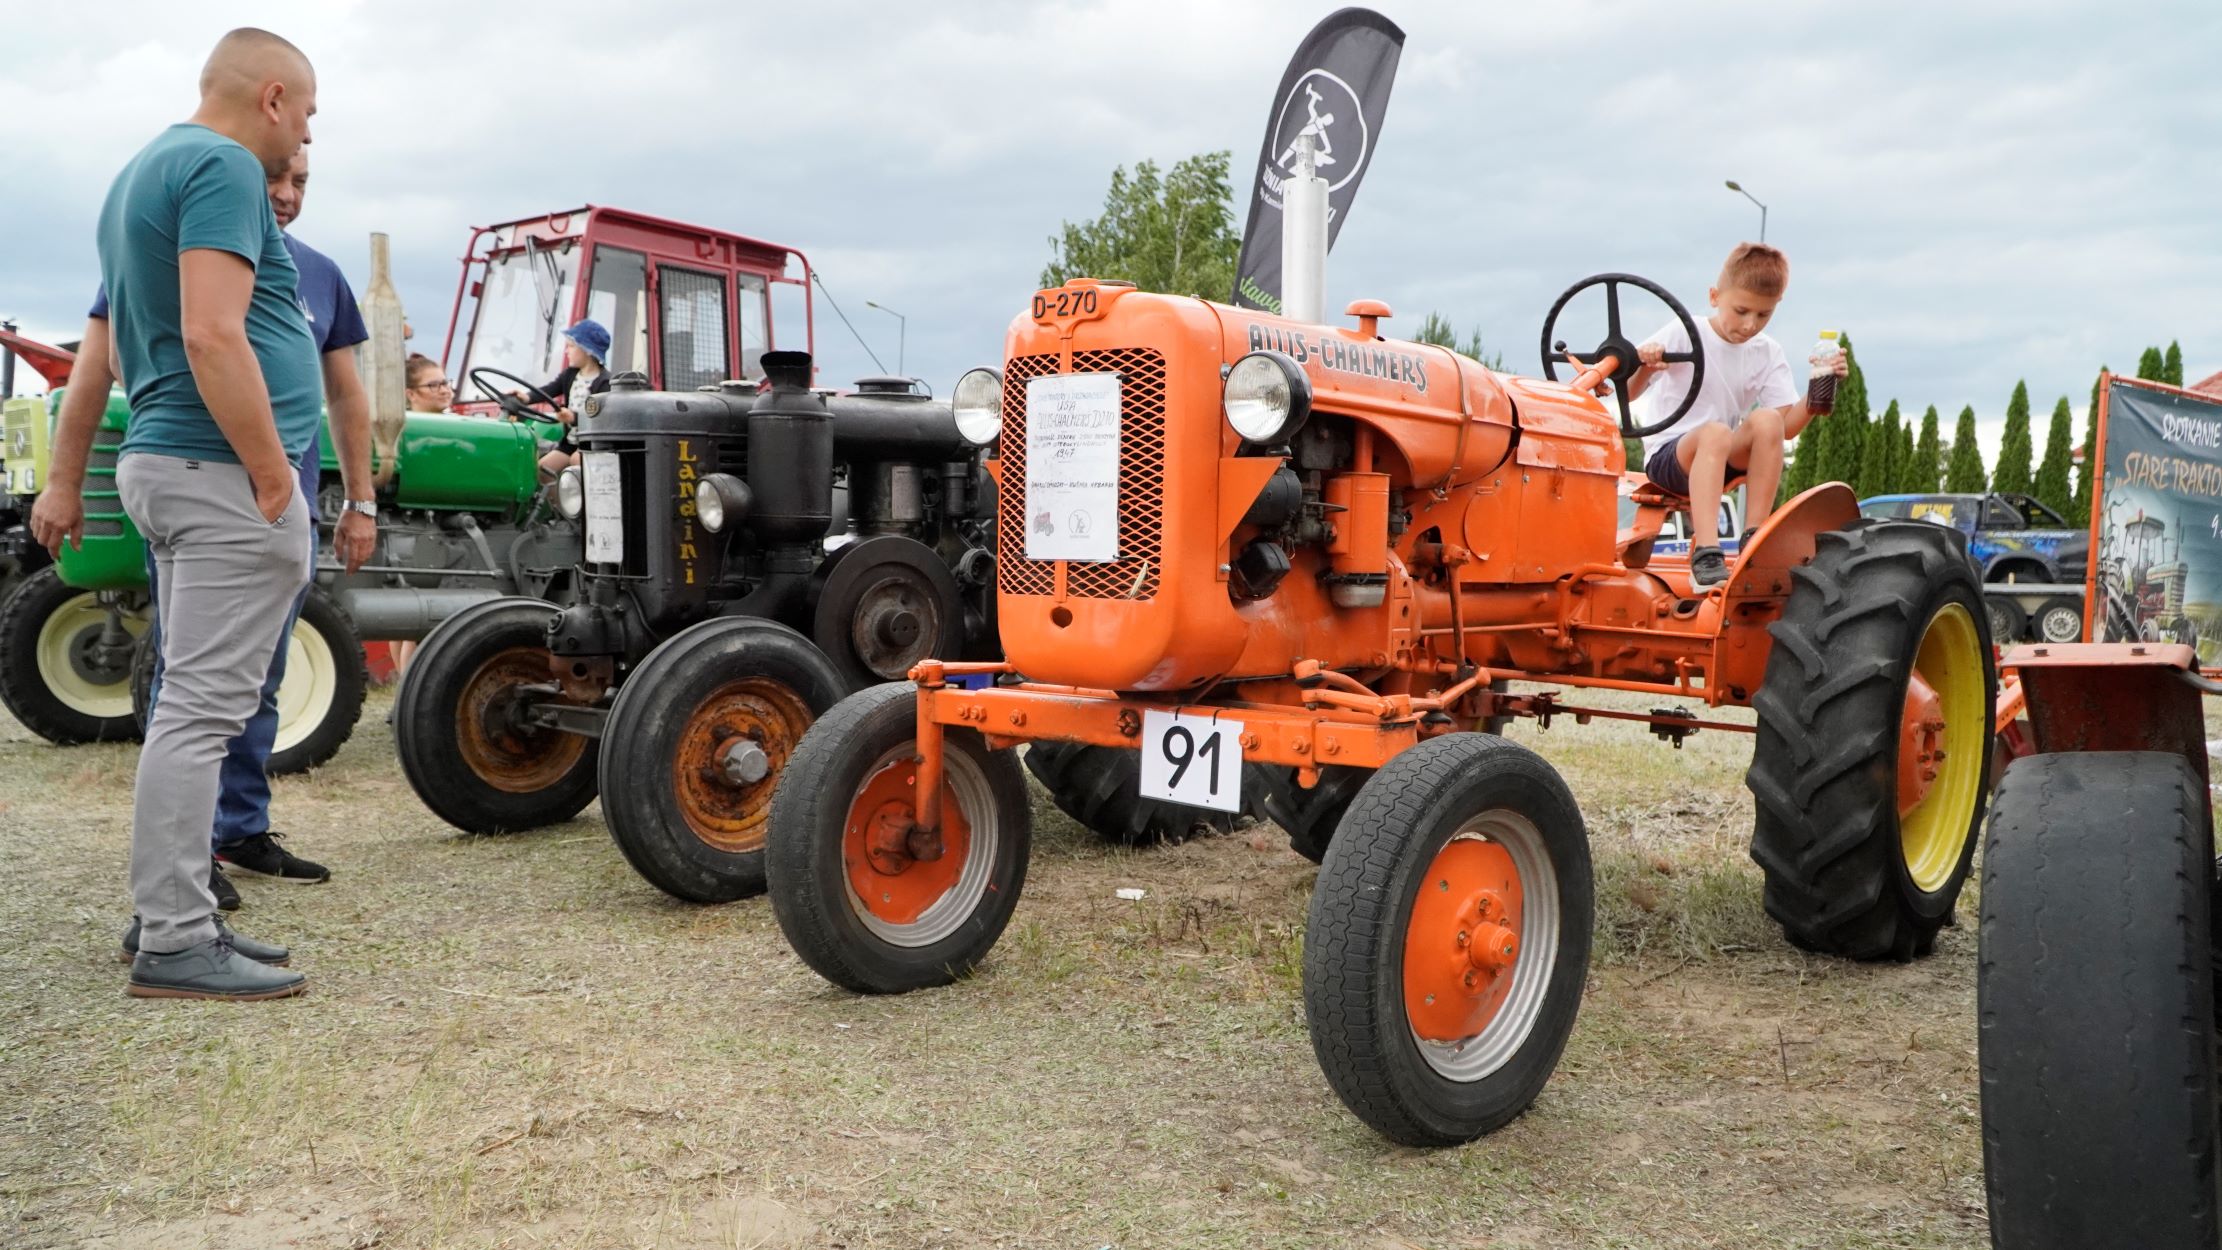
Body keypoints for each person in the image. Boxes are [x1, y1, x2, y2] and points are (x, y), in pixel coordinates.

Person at [30, 29, 368, 1001]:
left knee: (190, 700)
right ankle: (177, 933)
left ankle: (168, 909)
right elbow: (213, 330)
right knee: (202, 708)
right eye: (304, 113)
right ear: (271, 97)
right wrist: (273, 475)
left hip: (169, 461)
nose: (303, 133)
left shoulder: (144, 167)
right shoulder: (220, 163)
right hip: (219, 470)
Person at [1623, 242, 1848, 588]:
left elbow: (1785, 430)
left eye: (1763, 315)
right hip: (1672, 456)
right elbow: (1627, 394)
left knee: (1767, 419)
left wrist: (1818, 387)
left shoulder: (1767, 352)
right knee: (1715, 432)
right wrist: (1643, 364)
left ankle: (1754, 539)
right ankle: (1708, 551)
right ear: (1715, 296)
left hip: (1723, 455)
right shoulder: (1685, 331)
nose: (1750, 325)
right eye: (1741, 310)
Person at [530, 319, 610, 481]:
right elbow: (549, 390)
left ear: (587, 350)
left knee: (575, 461)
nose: (567, 351)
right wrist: (525, 397)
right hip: (570, 443)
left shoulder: (604, 382)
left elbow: (601, 417)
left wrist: (574, 417)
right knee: (541, 470)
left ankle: (581, 506)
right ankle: (560, 506)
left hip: (592, 445)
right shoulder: (570, 375)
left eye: (571, 346)